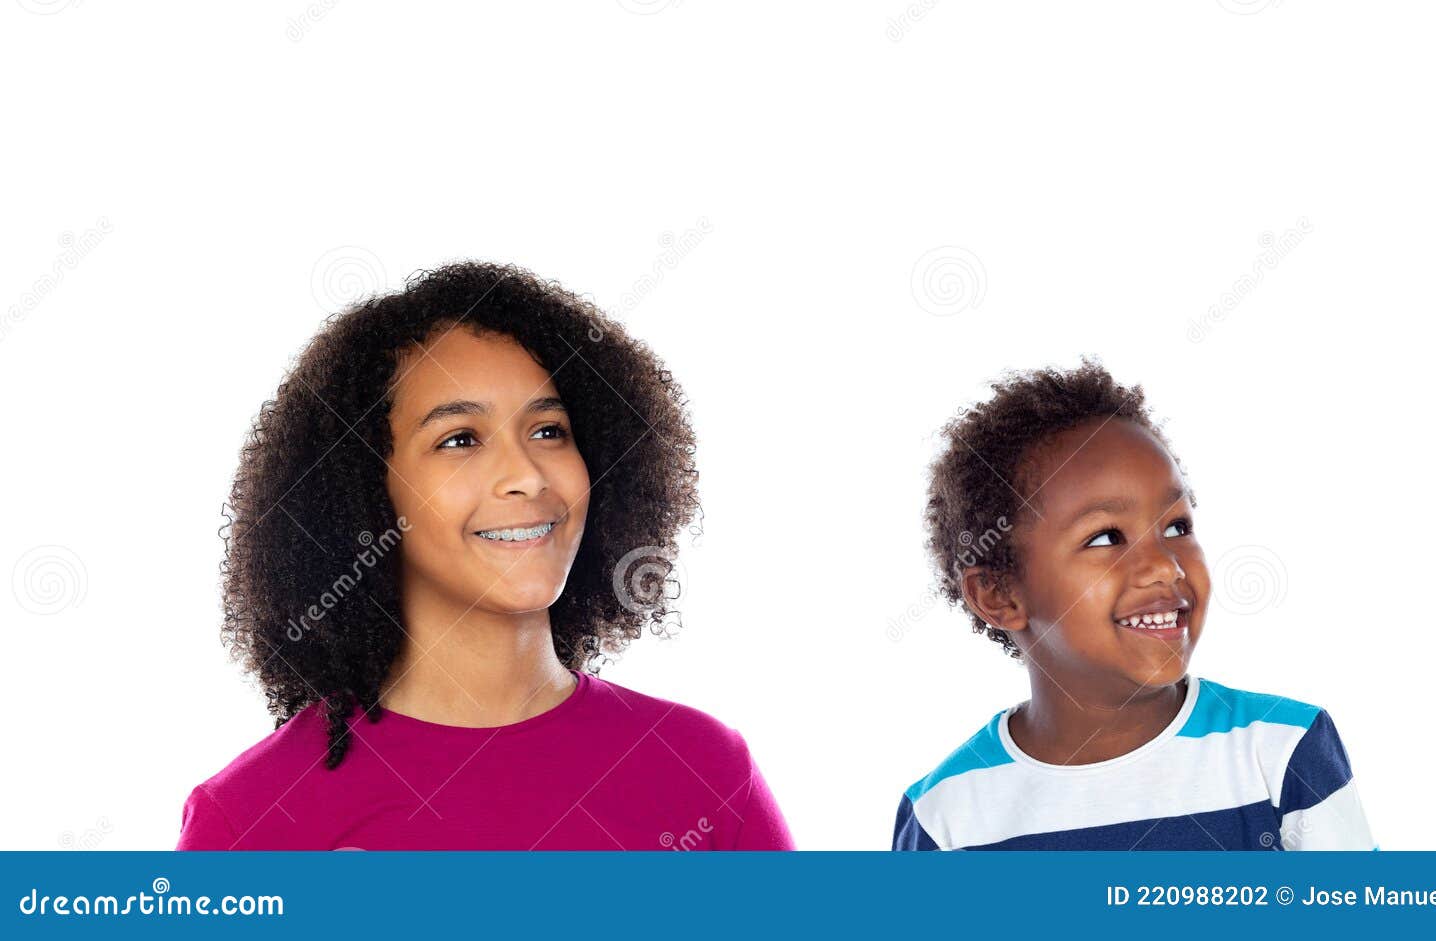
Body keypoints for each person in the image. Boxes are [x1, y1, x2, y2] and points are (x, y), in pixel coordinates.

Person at [177, 261, 792, 850]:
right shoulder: (253, 819)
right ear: (363, 490)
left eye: (549, 430)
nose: (524, 475)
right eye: (460, 439)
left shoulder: (703, 770)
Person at [893, 361, 1373, 850]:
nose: (1164, 567)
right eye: (1105, 537)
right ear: (999, 595)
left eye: (1176, 527)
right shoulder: (944, 815)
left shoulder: (1282, 750)